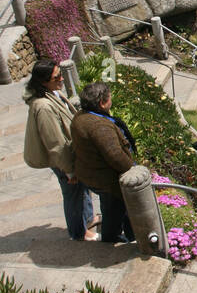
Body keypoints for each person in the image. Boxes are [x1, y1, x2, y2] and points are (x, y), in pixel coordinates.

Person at [22, 59, 98, 242]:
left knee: (81, 188)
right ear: (43, 81)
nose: (61, 79)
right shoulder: (43, 107)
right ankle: (78, 233)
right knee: (72, 193)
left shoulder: (52, 92)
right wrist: (69, 170)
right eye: (56, 77)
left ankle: (88, 219)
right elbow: (55, 143)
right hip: (63, 159)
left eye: (60, 75)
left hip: (71, 153)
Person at [70, 82, 136, 244]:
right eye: (110, 98)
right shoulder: (100, 127)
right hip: (106, 180)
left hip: (91, 173)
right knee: (114, 212)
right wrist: (132, 169)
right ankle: (111, 239)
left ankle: (130, 234)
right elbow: (116, 157)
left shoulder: (81, 116)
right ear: (102, 103)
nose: (111, 100)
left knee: (115, 208)